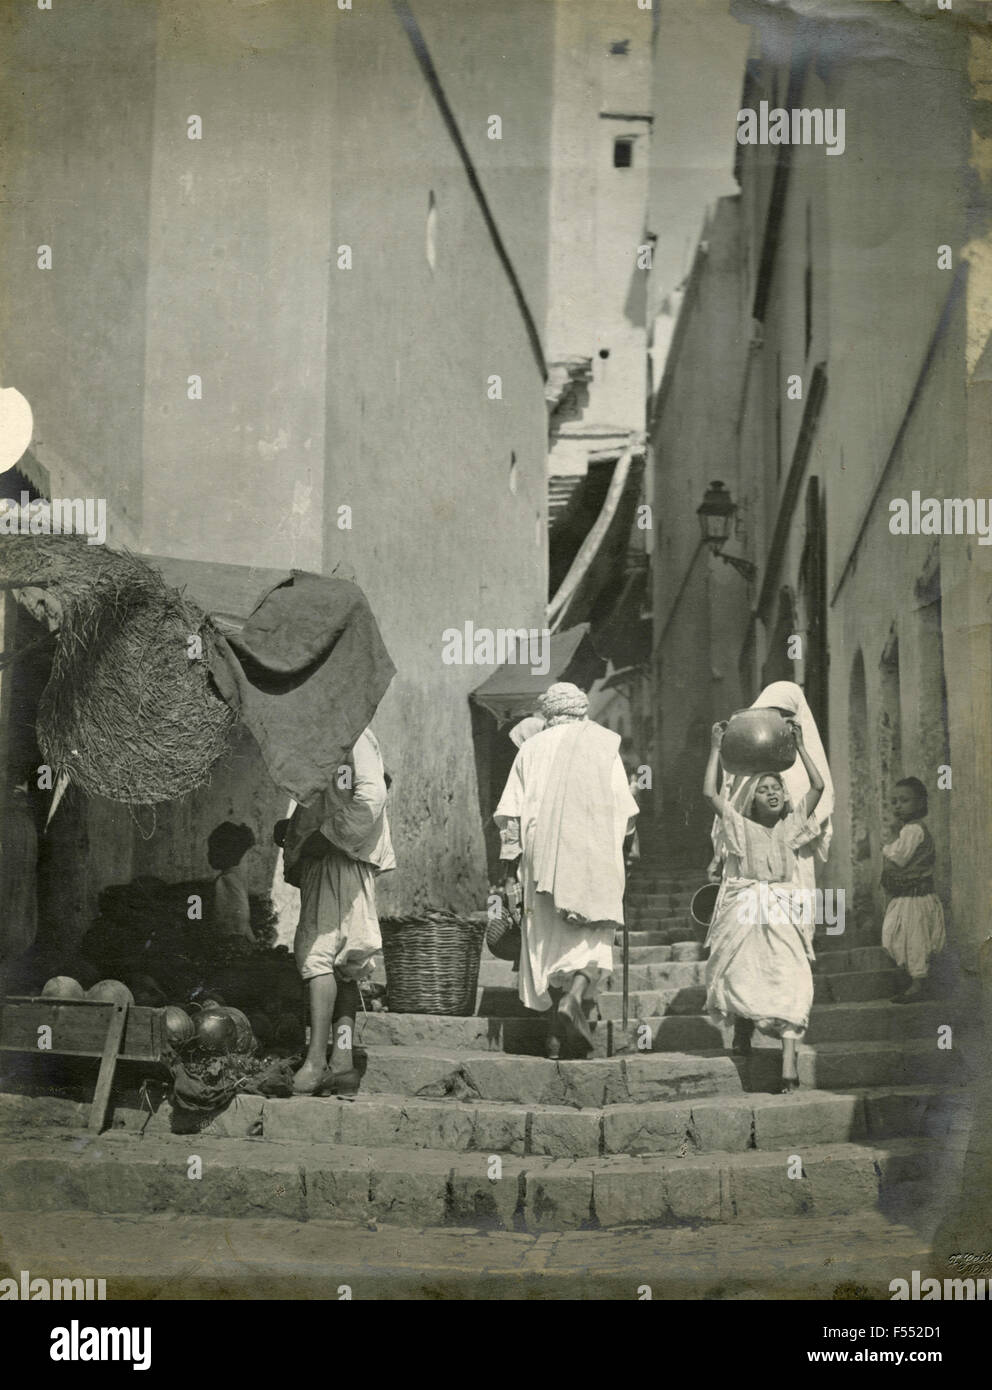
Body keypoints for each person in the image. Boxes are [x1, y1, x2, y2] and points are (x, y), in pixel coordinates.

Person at [494, 682, 638, 1057]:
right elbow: (625, 812)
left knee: (548, 941)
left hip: (539, 860)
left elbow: (510, 815)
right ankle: (574, 996)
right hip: (591, 853)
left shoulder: (530, 748)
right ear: (582, 710)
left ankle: (554, 1039)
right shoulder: (603, 744)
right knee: (592, 934)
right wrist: (626, 845)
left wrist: (510, 867)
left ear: (548, 712)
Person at [703, 717, 826, 1092]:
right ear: (751, 799)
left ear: (785, 796)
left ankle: (789, 1062)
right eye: (763, 790)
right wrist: (716, 748)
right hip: (746, 910)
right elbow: (710, 794)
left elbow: (818, 786)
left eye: (776, 788)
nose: (772, 794)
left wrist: (800, 746)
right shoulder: (740, 826)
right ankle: (743, 1028)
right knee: (745, 973)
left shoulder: (792, 825)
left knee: (793, 978)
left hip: (783, 910)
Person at [277, 726, 394, 1096]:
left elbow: (372, 797)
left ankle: (315, 1062)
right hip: (341, 858)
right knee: (344, 963)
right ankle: (342, 1063)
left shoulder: (354, 736)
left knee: (318, 955)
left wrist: (323, 837)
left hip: (336, 858)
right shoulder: (341, 737)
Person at [710, 680, 833, 895]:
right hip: (746, 863)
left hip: (793, 860)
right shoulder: (747, 763)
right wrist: (719, 853)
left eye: (787, 716)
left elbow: (819, 803)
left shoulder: (805, 765)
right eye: (773, 713)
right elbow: (726, 805)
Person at [881, 776, 946, 1003]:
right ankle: (915, 980)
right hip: (906, 897)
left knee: (915, 940)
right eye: (894, 801)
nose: (898, 806)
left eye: (904, 800)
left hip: (916, 899)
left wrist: (887, 847)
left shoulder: (913, 830)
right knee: (896, 936)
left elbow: (900, 857)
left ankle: (919, 985)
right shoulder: (907, 830)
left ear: (920, 803)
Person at [207, 821, 256, 942]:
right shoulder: (234, 879)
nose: (208, 854)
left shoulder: (225, 881)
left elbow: (230, 928)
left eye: (212, 849)